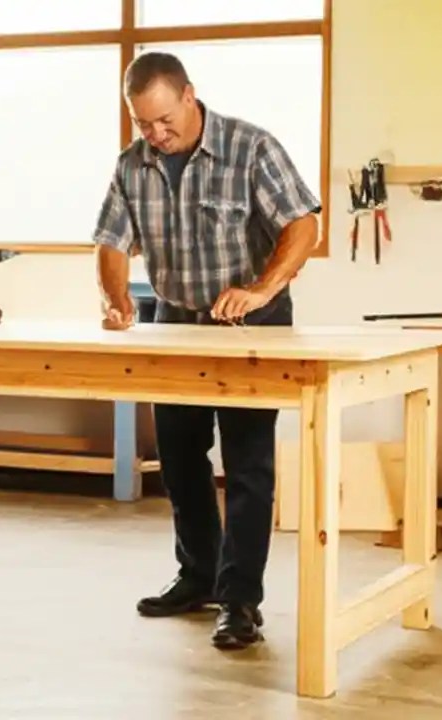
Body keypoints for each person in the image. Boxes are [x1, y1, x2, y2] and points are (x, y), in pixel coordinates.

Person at [91, 51, 321, 650]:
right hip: (176, 322)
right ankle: (199, 577)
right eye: (143, 124)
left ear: (190, 96)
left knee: (247, 463)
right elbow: (112, 242)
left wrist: (263, 288)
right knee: (180, 456)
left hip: (254, 323)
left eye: (164, 121)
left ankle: (240, 599)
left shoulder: (251, 148)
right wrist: (117, 299)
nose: (155, 135)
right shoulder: (132, 165)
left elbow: (302, 224)